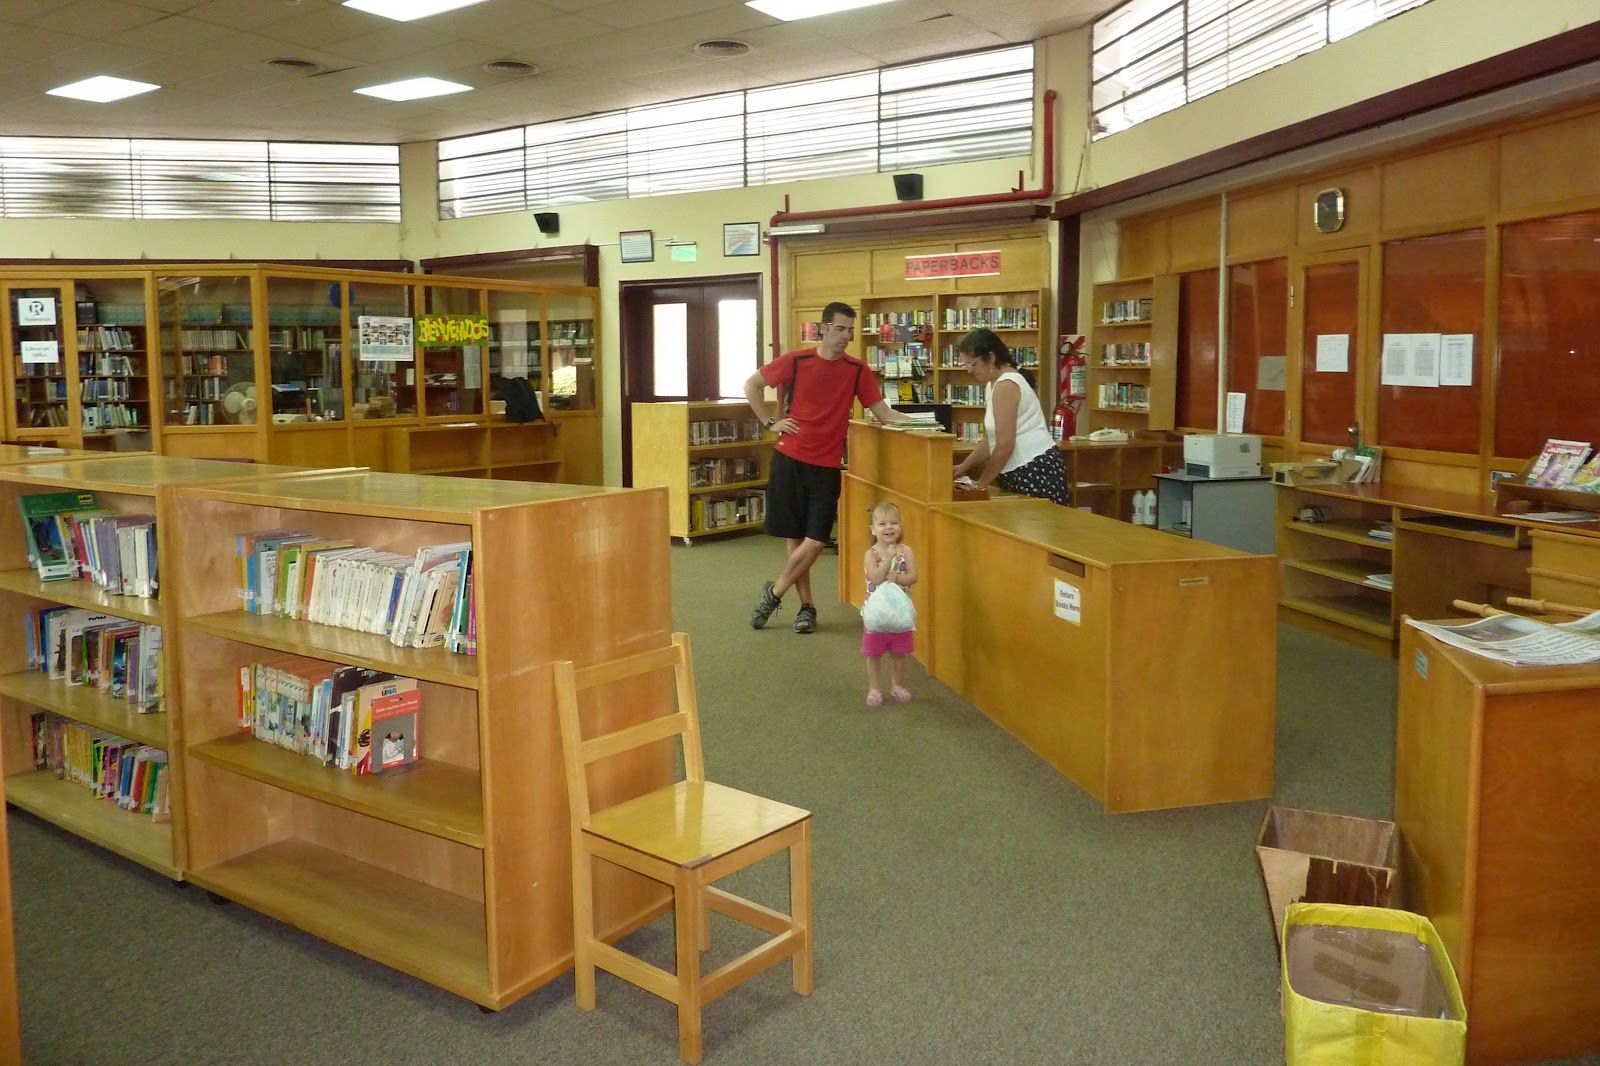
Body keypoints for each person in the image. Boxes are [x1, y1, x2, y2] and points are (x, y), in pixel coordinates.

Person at [745, 301, 910, 633]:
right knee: (797, 537)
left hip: (827, 465)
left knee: (816, 539)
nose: (845, 336)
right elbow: (751, 384)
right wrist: (771, 421)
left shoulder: (857, 369)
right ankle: (807, 608)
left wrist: (926, 425)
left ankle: (774, 592)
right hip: (790, 458)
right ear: (822, 328)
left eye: (850, 330)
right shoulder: (796, 360)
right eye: (839, 329)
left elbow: (882, 411)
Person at [951, 327, 1070, 505]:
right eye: (966, 365)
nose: (969, 370)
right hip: (1020, 469)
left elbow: (1005, 445)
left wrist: (981, 485)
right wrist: (964, 466)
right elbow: (992, 438)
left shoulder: (1006, 384)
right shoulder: (993, 384)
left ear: (991, 358)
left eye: (973, 364)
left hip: (1034, 469)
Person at [861, 501, 917, 706]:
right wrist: (889, 559)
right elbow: (875, 578)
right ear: (873, 530)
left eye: (894, 523)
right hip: (876, 615)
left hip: (900, 614)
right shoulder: (871, 554)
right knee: (873, 654)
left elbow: (913, 577)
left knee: (899, 654)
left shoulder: (907, 551)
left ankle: (898, 685)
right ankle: (874, 689)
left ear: (900, 527)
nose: (889, 527)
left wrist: (899, 579)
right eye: (882, 524)